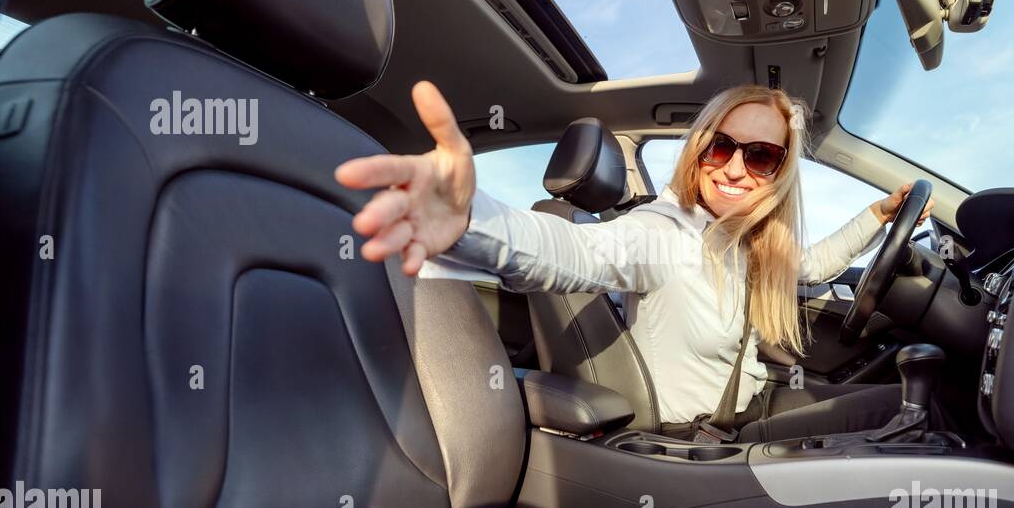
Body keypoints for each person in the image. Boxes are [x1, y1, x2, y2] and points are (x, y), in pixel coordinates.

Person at [336, 81, 943, 443]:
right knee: (915, 409)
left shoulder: (746, 243)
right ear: (700, 148)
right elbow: (574, 252)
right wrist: (471, 220)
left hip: (747, 412)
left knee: (904, 405)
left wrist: (878, 217)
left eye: (760, 157)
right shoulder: (664, 229)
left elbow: (809, 266)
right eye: (722, 146)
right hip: (697, 445)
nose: (734, 167)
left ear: (780, 175)